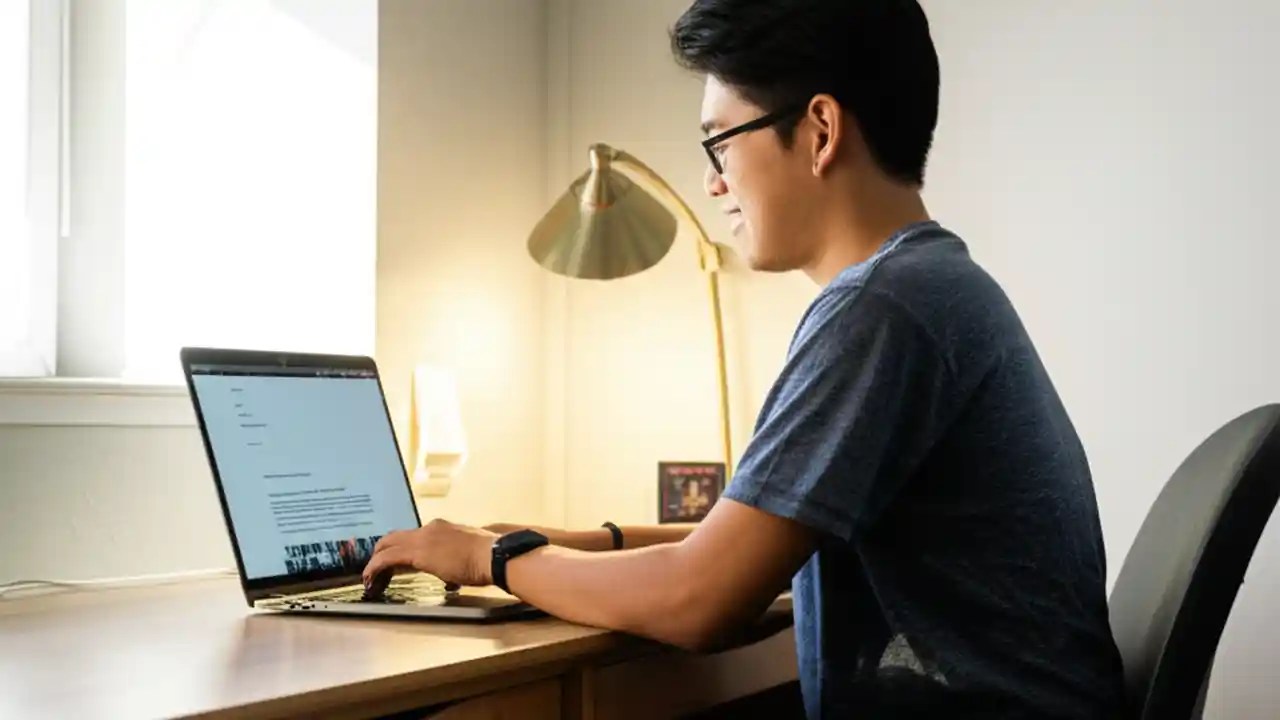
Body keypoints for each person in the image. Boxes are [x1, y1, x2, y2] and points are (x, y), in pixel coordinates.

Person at [363, 1, 1127, 717]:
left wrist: (491, 559)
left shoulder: (882, 309)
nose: (712, 180)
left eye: (720, 141)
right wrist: (551, 541)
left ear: (820, 130)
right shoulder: (932, 287)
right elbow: (736, 545)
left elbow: (701, 597)